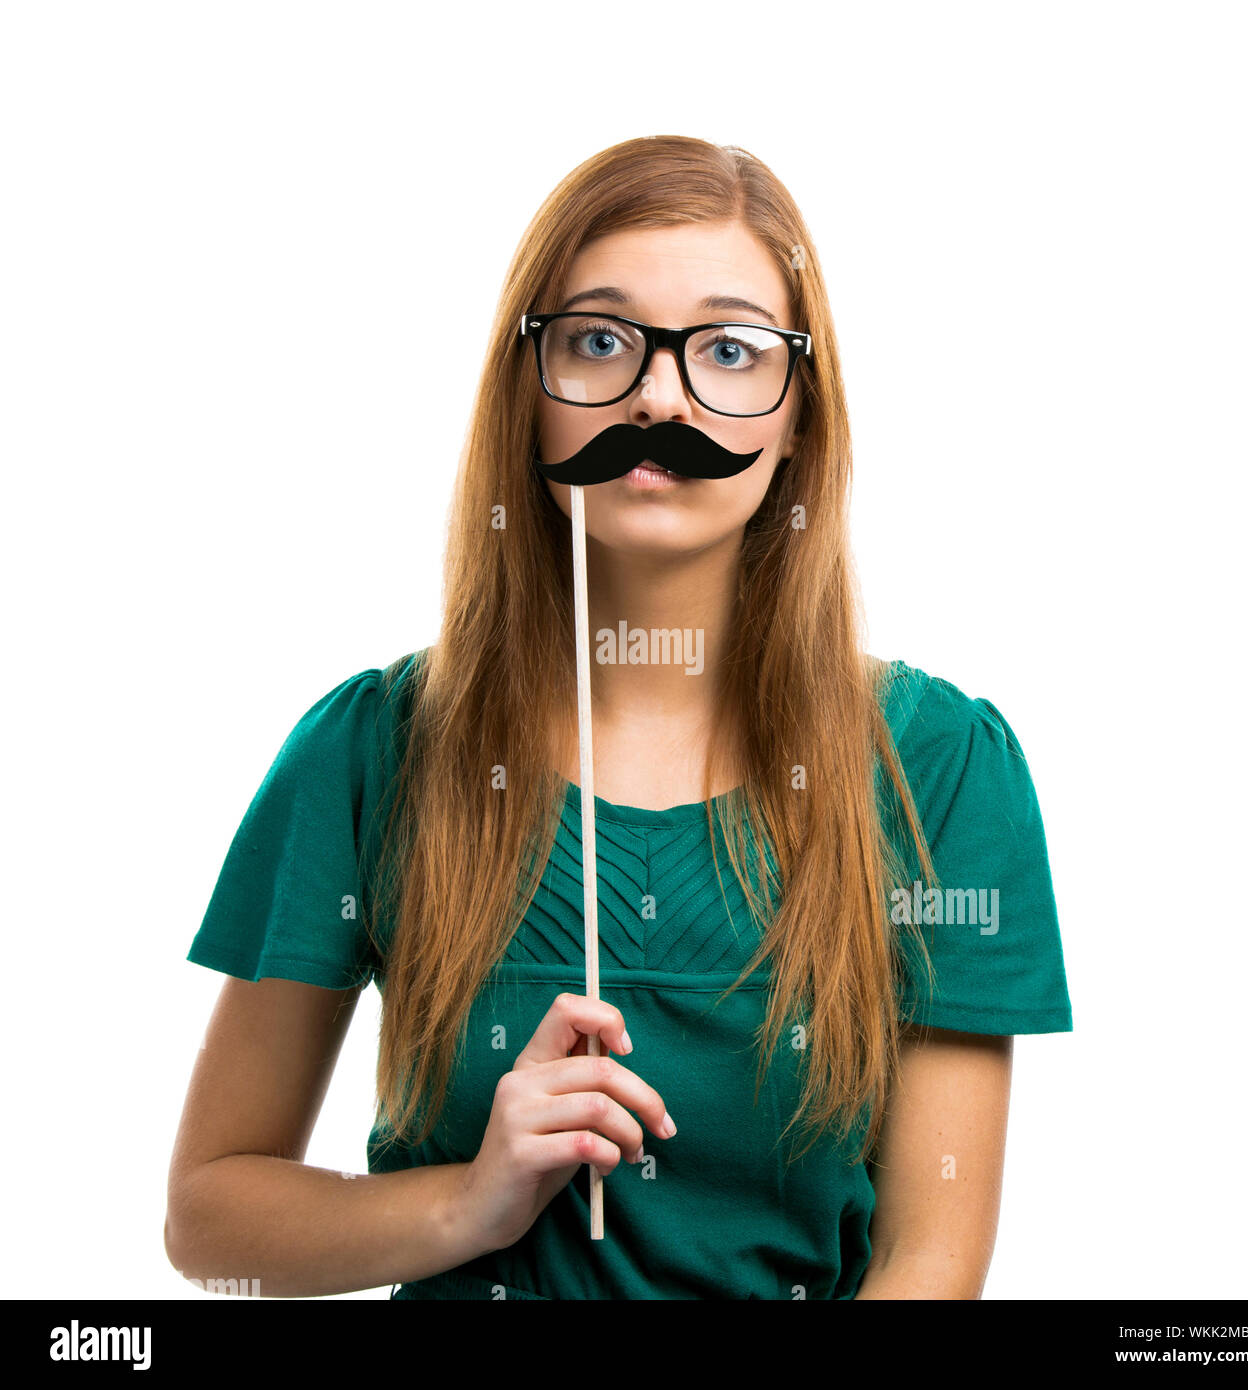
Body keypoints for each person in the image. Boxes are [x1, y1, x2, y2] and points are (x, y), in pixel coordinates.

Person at [165, 134, 1072, 1301]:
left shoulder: (936, 768)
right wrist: (466, 1196)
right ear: (527, 393)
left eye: (730, 349)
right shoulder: (374, 748)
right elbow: (211, 1214)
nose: (657, 394)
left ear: (799, 413)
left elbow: (927, 1260)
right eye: (600, 340)